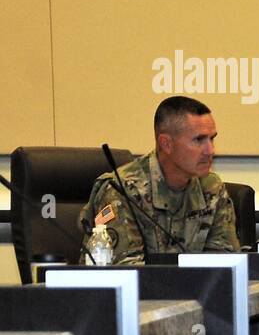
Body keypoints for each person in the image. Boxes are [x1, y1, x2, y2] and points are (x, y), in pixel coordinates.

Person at [79, 96, 239, 264]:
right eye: (199, 140)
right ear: (166, 144)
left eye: (212, 138)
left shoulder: (211, 187)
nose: (210, 150)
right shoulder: (122, 190)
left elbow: (224, 265)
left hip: (192, 289)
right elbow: (125, 272)